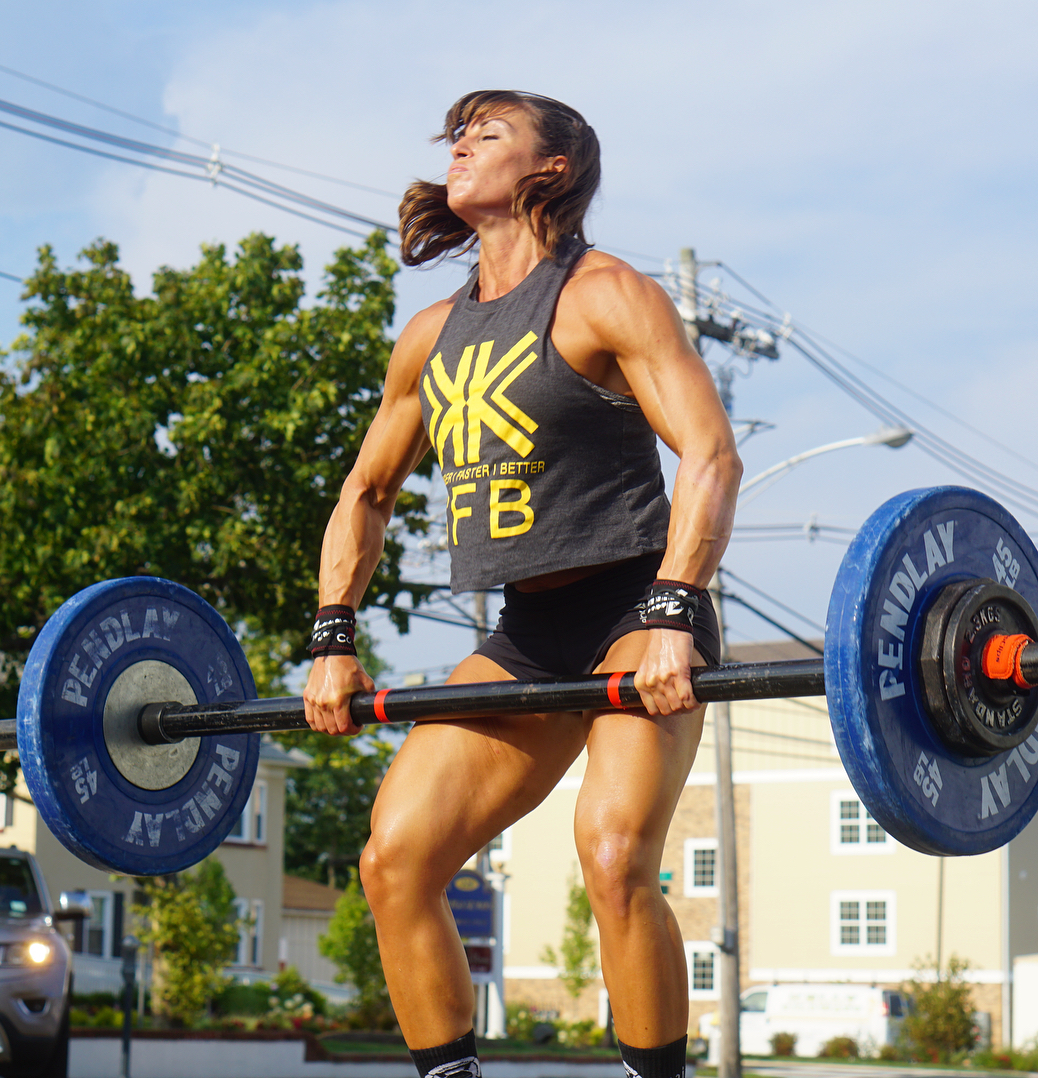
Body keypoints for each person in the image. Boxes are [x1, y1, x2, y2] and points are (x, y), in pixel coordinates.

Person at [303, 90, 742, 1078]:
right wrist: (334, 633)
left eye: (489, 134)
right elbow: (366, 492)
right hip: (528, 631)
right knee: (395, 858)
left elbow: (711, 456)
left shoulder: (604, 294)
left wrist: (674, 612)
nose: (461, 146)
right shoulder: (430, 335)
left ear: (548, 172)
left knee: (614, 854)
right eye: (459, 133)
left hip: (637, 609)